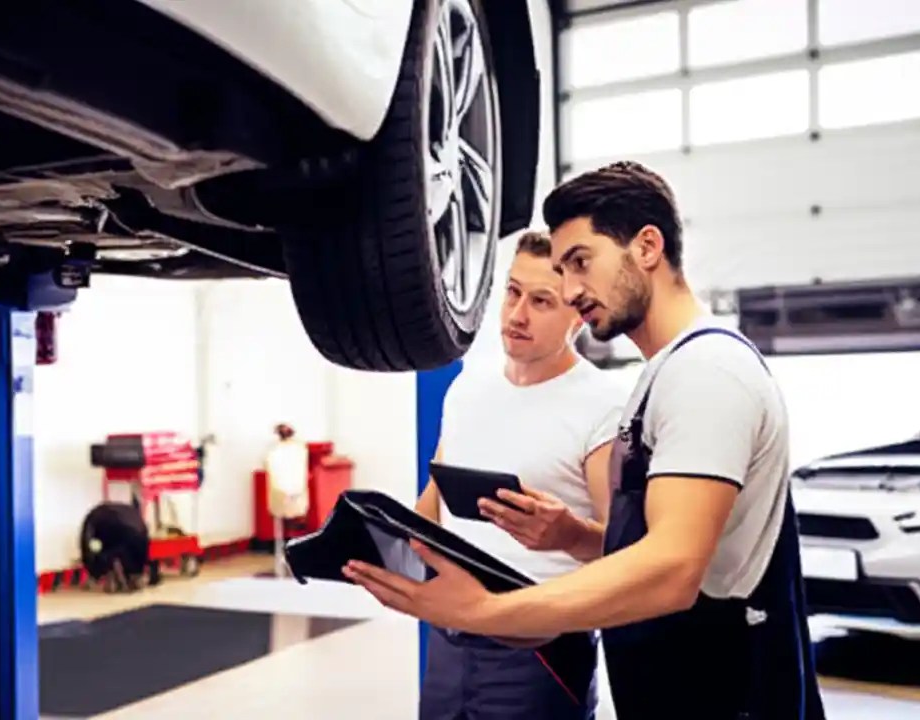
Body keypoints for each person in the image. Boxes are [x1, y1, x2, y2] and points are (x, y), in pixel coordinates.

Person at [344, 161, 826, 720]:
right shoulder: (666, 374)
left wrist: (481, 612)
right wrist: (571, 535)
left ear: (647, 247)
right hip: (677, 686)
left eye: (580, 263)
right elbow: (653, 546)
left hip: (722, 692)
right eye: (561, 271)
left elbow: (671, 570)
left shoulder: (707, 373)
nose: (573, 290)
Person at [415, 231, 627, 720]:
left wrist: (568, 534)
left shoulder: (604, 406)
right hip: (451, 639)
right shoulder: (466, 391)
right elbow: (432, 508)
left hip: (543, 650)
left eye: (541, 301)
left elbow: (627, 552)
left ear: (578, 312)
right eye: (512, 292)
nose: (517, 315)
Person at [265, 422, 307, 577]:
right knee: (293, 525)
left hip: (281, 492)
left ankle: (283, 557)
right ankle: (288, 558)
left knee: (281, 527)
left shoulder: (275, 450)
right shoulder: (298, 449)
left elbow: (273, 470)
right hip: (292, 491)